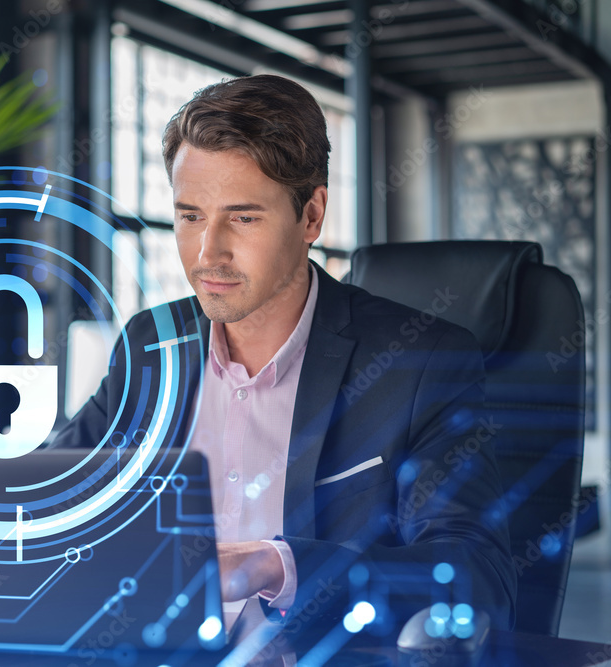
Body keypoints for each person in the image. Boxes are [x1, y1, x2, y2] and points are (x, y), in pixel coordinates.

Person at [51, 74, 516, 635]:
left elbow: (476, 574)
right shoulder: (152, 345)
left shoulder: (418, 363)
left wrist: (276, 566)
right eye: (190, 215)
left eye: (242, 217)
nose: (207, 253)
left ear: (312, 216)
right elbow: (51, 499)